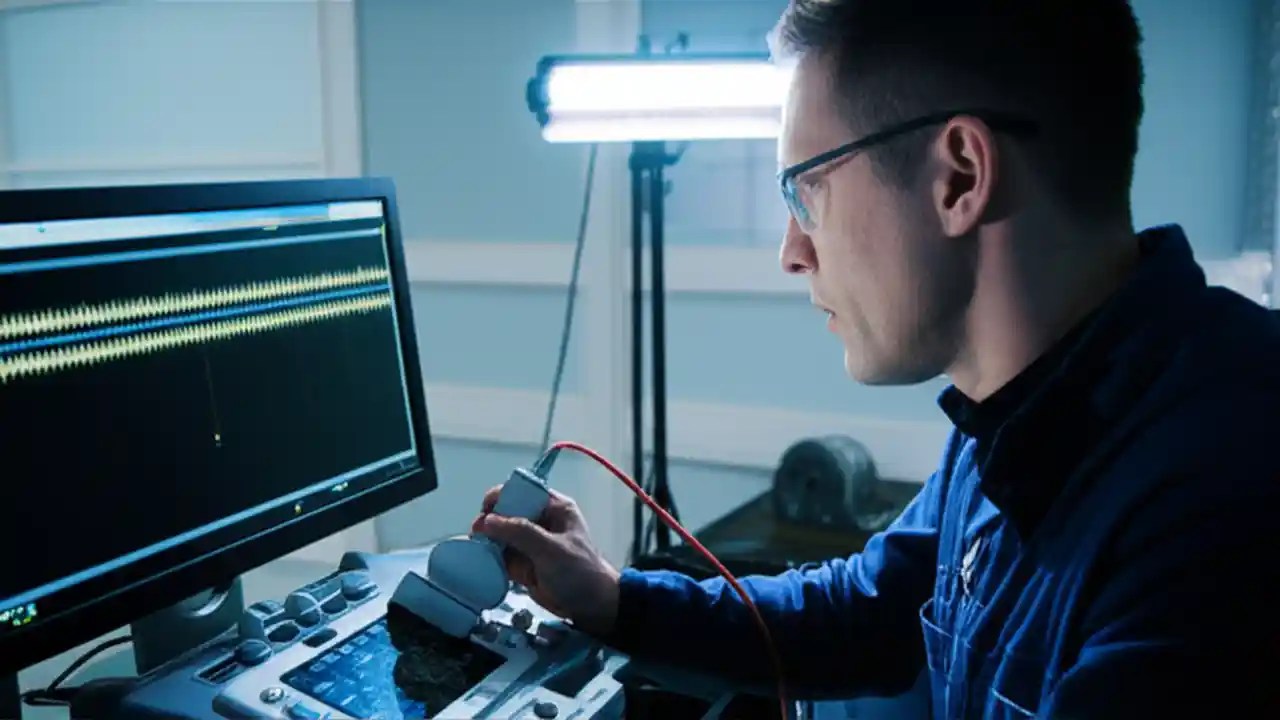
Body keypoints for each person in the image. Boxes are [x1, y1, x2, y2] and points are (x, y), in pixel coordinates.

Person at [474, 0, 1280, 716]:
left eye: (805, 190)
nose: (793, 251)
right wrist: (614, 600)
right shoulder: (1020, 410)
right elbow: (868, 609)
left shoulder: (1226, 498)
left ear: (959, 176)